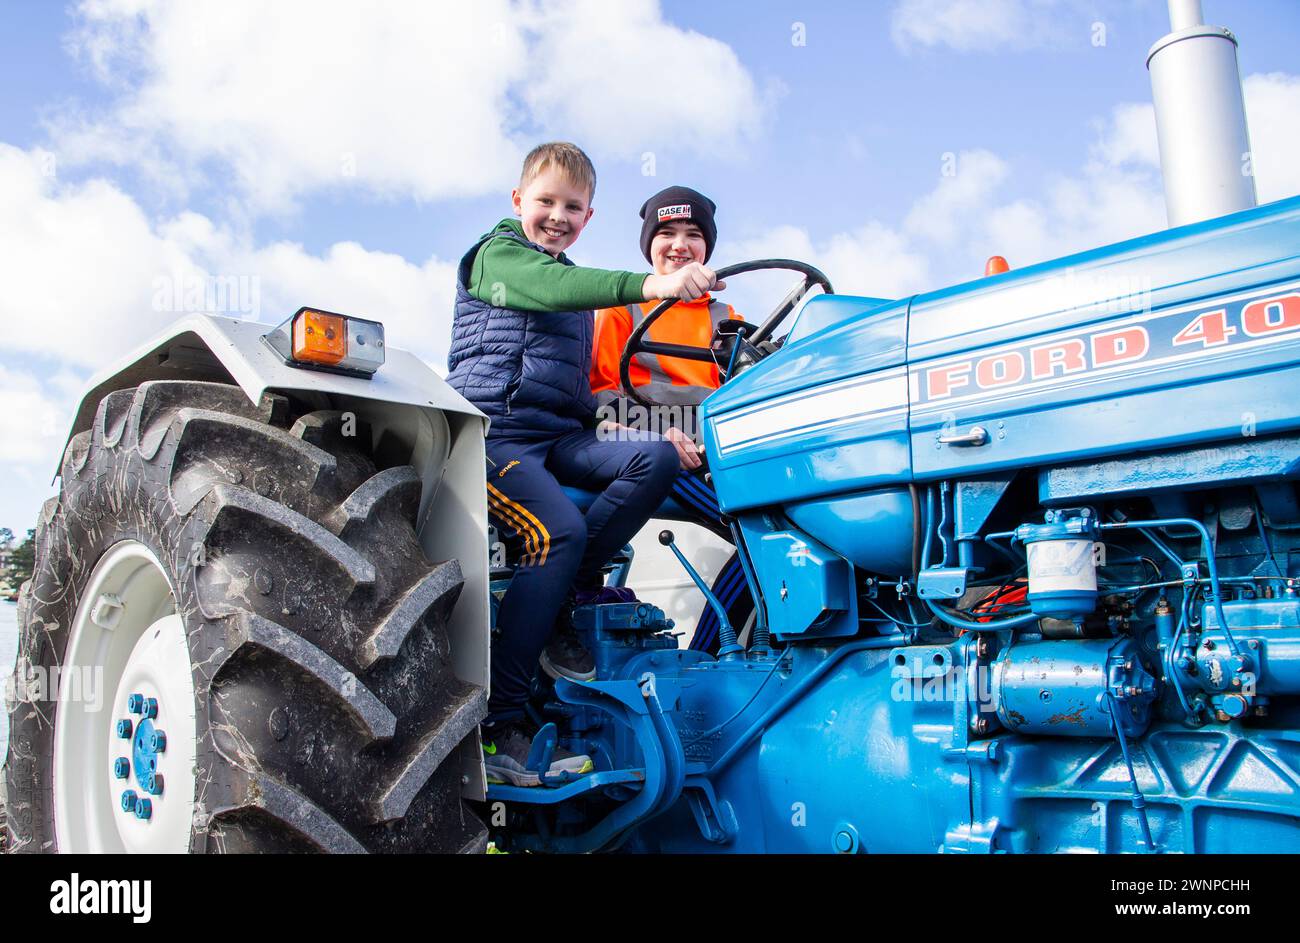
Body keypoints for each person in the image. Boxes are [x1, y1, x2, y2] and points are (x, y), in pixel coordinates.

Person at [445, 144, 723, 786]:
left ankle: (569, 599)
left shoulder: (575, 297)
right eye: (545, 201)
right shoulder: (499, 257)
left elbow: (580, 391)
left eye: (573, 207)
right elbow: (552, 286)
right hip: (496, 434)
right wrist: (655, 285)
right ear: (519, 202)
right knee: (558, 533)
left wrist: (617, 424)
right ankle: (503, 724)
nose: (557, 216)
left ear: (589, 215)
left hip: (561, 435)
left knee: (655, 459)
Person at [590, 186, 755, 654]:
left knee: (789, 530)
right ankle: (705, 658)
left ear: (708, 247)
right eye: (666, 233)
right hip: (660, 450)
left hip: (717, 453)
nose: (680, 245)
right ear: (649, 244)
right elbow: (601, 400)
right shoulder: (624, 309)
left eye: (693, 234)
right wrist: (657, 433)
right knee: (754, 534)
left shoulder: (729, 320)